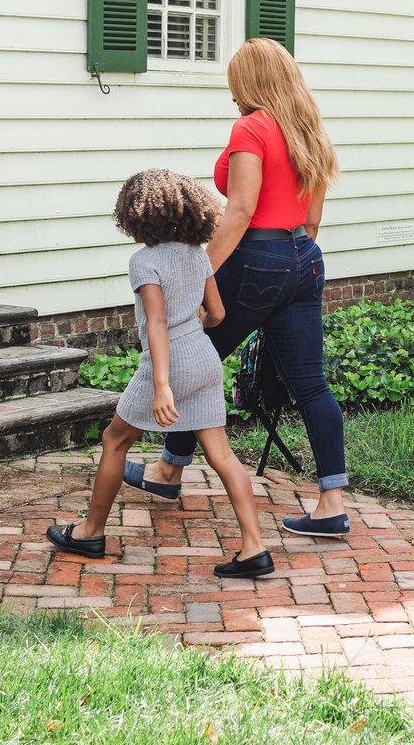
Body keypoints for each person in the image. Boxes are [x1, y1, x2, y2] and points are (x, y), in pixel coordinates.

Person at [125, 38, 352, 539]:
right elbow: (312, 220)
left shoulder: (252, 126)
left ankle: (167, 471)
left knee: (190, 355)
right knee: (311, 383)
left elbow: (240, 210)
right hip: (303, 257)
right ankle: (332, 501)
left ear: (250, 83)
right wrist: (286, 270)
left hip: (256, 256)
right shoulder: (307, 130)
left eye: (235, 84)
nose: (231, 95)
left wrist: (199, 273)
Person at [46, 170, 273, 579]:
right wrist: (191, 329)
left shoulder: (144, 261)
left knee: (115, 440)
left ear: (136, 216)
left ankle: (89, 532)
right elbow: (217, 315)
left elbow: (156, 324)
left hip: (167, 362)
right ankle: (254, 548)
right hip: (204, 359)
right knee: (222, 455)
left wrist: (164, 385)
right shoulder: (197, 254)